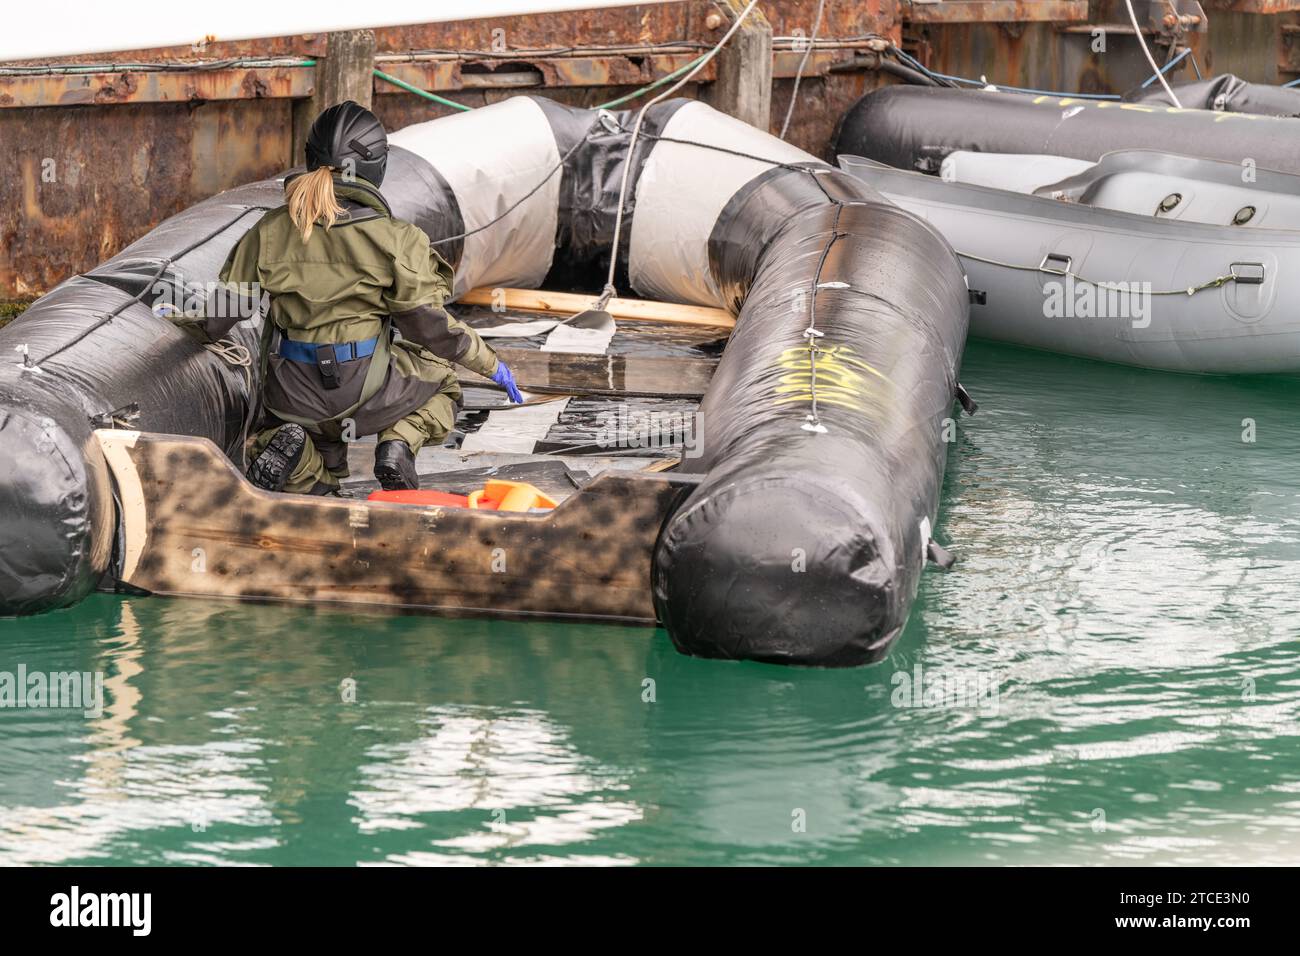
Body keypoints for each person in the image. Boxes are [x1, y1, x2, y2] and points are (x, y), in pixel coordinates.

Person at [203, 100, 522, 495]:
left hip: (293, 395)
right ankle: (397, 444)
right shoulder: (397, 238)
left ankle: (302, 462)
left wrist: (175, 320)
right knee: (444, 383)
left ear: (310, 157)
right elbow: (427, 327)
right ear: (377, 166)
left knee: (305, 452)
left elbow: (220, 317)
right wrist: (489, 362)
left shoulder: (269, 230)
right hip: (366, 392)